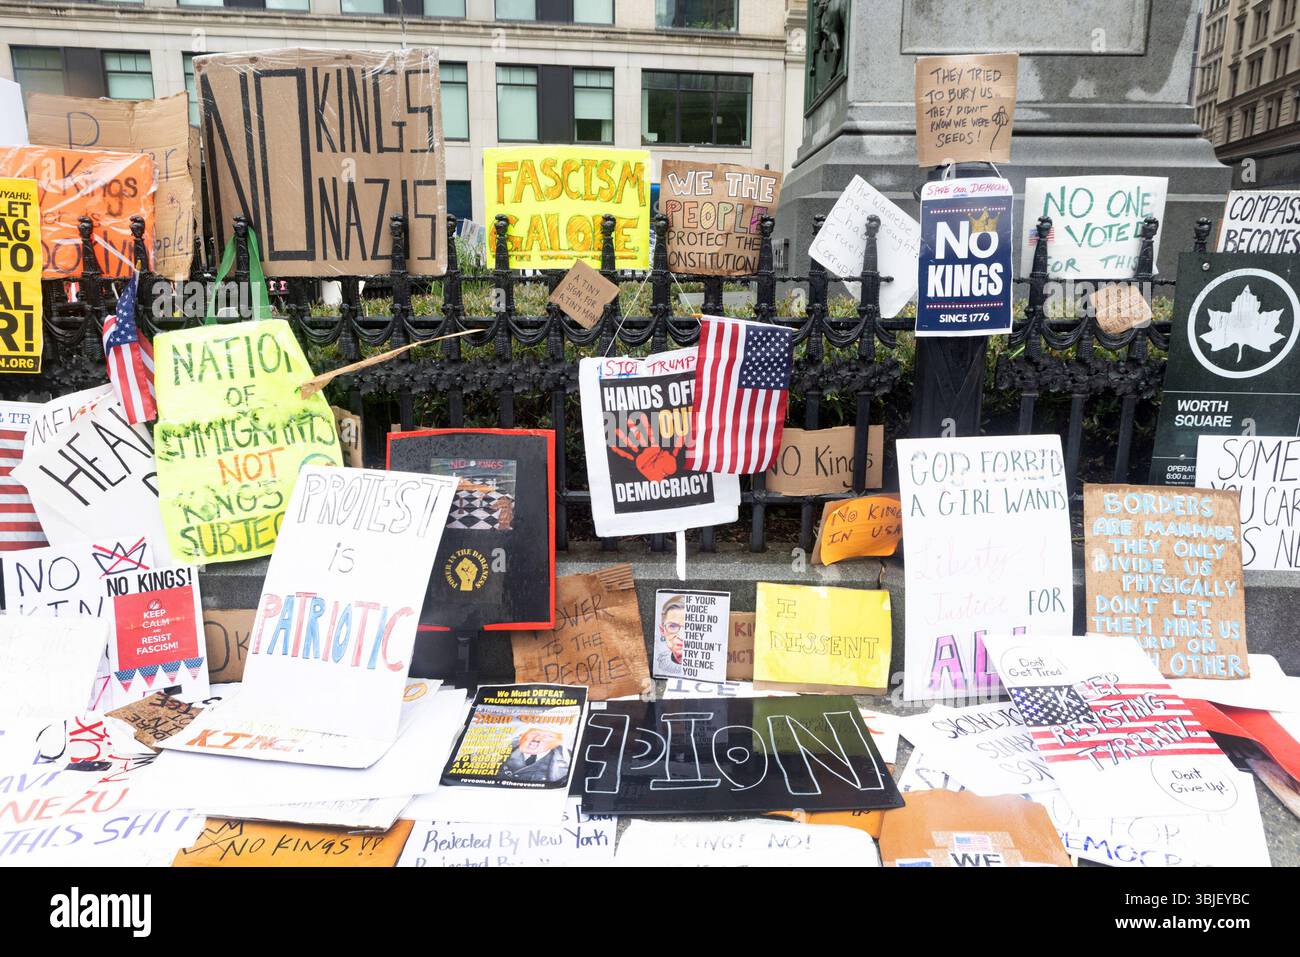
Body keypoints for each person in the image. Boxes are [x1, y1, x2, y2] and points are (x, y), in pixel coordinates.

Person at [498, 727, 569, 784]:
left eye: (548, 736)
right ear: (523, 735)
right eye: (534, 733)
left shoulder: (566, 761)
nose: (536, 739)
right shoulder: (499, 748)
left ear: (557, 742)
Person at [653, 595, 687, 676]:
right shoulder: (660, 664)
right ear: (662, 631)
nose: (681, 637)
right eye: (673, 626)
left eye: (689, 627)